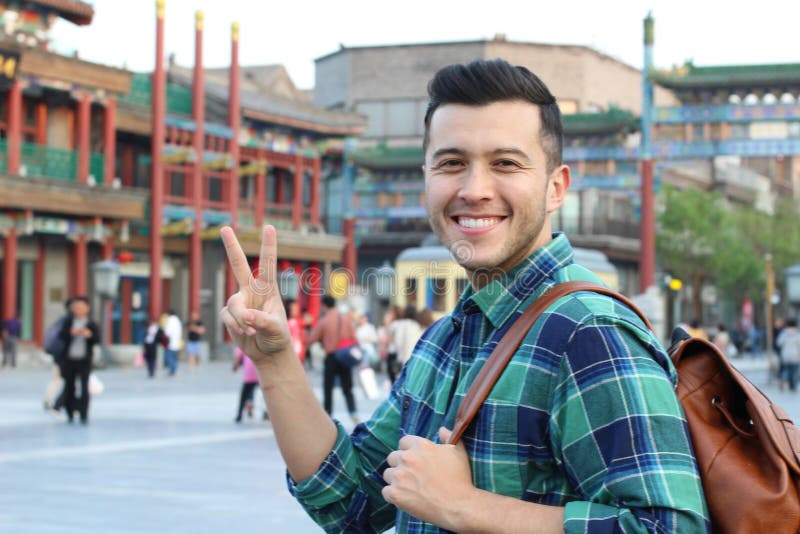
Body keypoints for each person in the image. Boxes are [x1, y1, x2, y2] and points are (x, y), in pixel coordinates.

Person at [218, 59, 708, 532]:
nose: (474, 189)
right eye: (452, 163)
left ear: (556, 188)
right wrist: (277, 360)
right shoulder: (443, 342)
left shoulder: (588, 333)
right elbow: (349, 502)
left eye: (506, 163)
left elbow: (666, 528)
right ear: (426, 179)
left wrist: (464, 506)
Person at [306, 295, 359, 423]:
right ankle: (353, 413)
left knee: (328, 387)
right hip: (345, 355)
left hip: (331, 357)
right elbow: (354, 337)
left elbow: (311, 339)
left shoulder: (324, 321)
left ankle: (328, 414)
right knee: (347, 387)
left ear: (324, 306)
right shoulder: (346, 319)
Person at [57, 296, 99, 424]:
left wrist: (89, 335)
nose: (79, 309)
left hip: (84, 360)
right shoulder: (68, 322)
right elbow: (61, 336)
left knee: (84, 387)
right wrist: (71, 333)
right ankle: (70, 412)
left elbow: (97, 339)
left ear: (87, 308)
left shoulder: (91, 324)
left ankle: (84, 414)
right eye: (76, 307)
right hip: (69, 360)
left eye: (81, 307)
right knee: (69, 387)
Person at [232, 346, 261, 422]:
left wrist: (235, 367)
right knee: (266, 394)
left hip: (249, 373)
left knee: (244, 394)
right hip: (260, 371)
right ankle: (267, 413)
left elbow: (238, 358)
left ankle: (239, 415)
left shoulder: (243, 342)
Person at [777, 318, 800, 392]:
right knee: (794, 371)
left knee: (786, 369)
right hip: (795, 355)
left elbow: (779, 343)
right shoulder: (797, 334)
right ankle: (793, 387)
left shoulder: (784, 333)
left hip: (785, 355)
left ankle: (782, 379)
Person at [163, 310, 182, 376]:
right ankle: (174, 369)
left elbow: (167, 332)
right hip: (177, 342)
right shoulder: (178, 321)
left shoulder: (170, 320)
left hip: (170, 342)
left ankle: (173, 369)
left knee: (169, 357)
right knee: (174, 357)